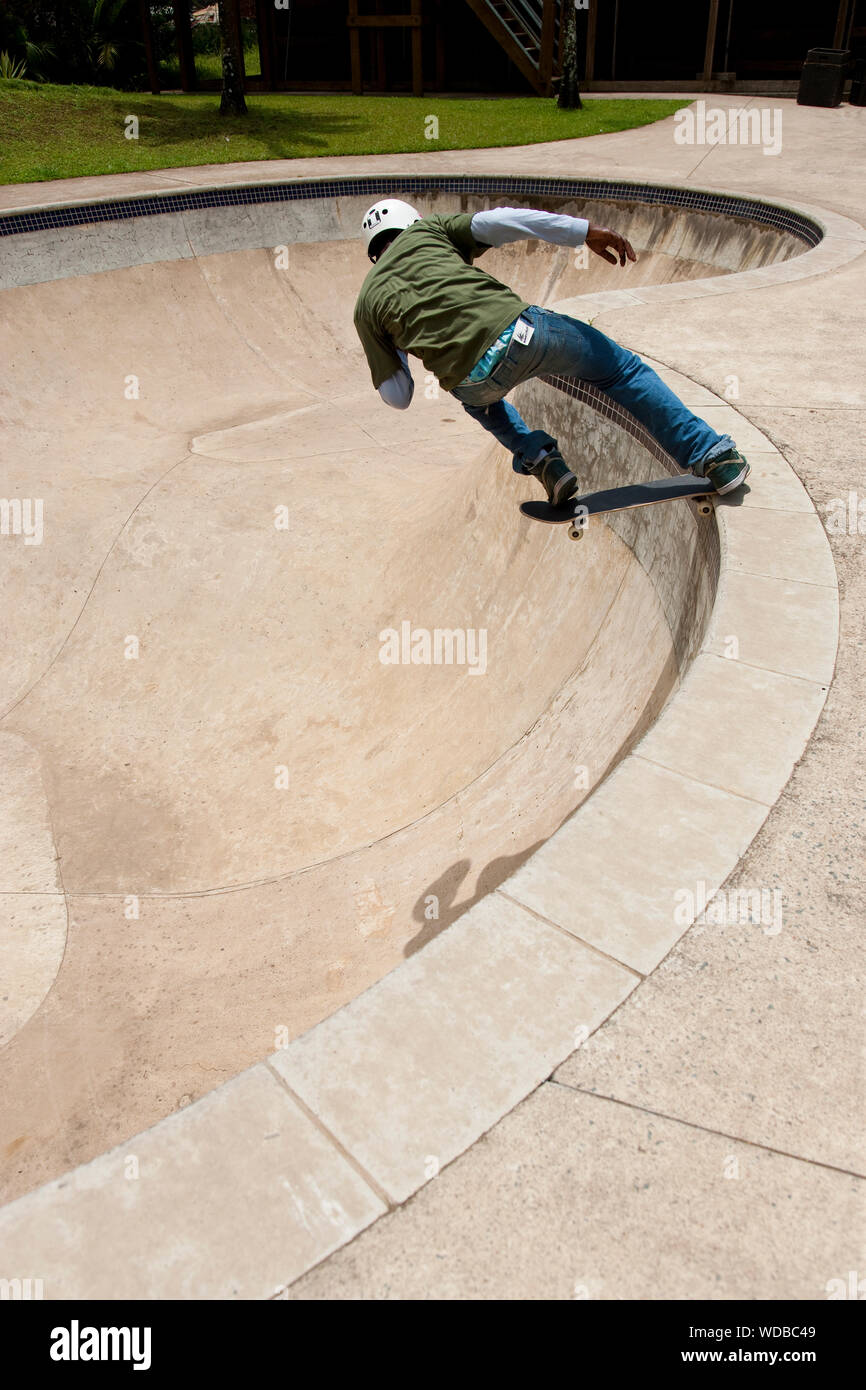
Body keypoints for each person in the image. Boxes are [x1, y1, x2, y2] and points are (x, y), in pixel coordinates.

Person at [353, 199, 749, 505]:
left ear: (374, 253)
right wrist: (584, 231)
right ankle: (712, 455)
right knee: (621, 371)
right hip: (525, 334)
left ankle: (542, 459)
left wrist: (397, 345)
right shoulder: (431, 230)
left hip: (473, 382)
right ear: (411, 224)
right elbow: (506, 221)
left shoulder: (367, 303)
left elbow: (398, 397)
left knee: (477, 402)